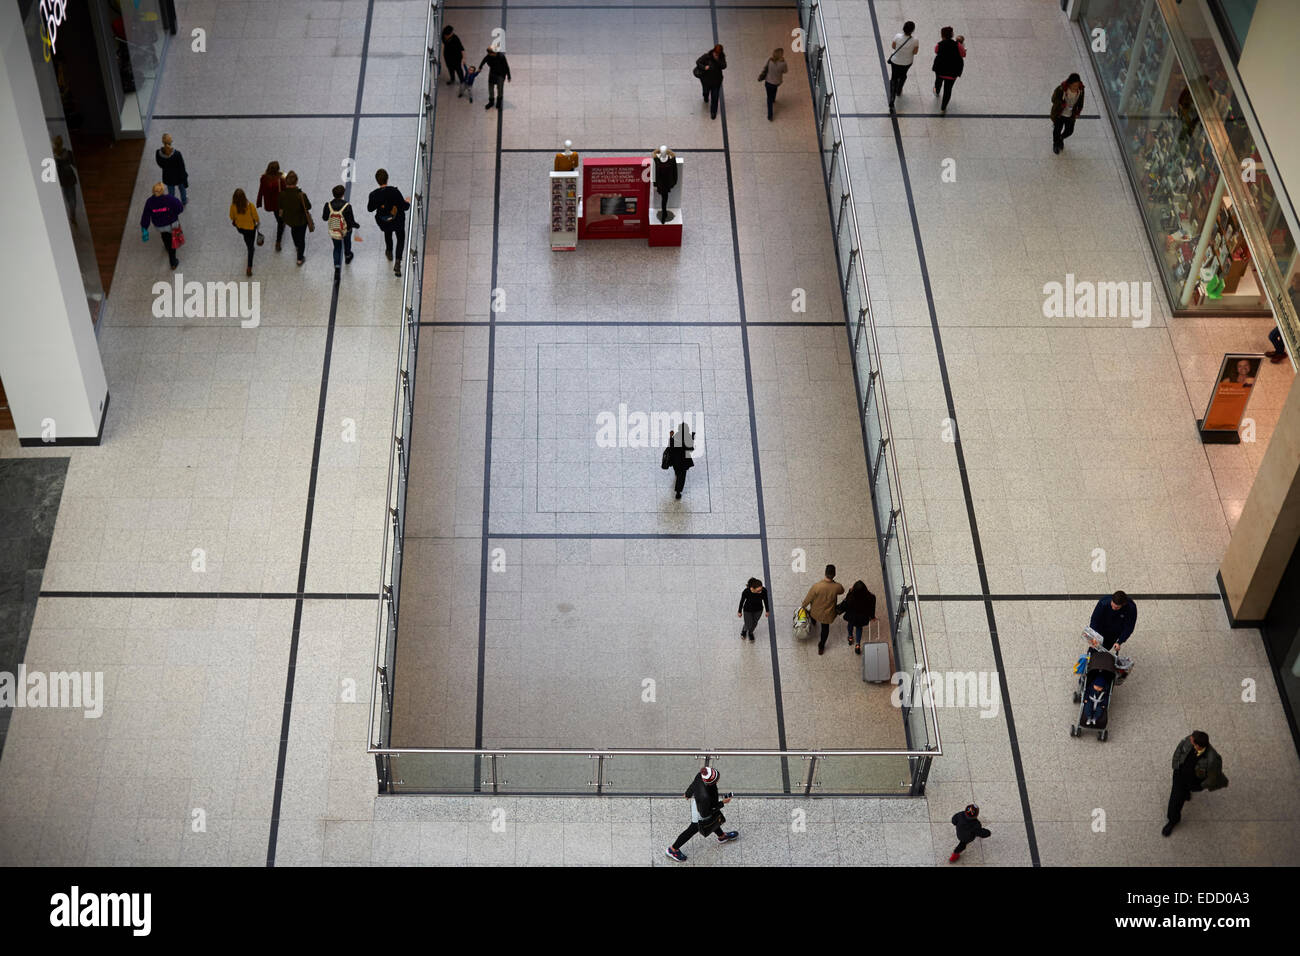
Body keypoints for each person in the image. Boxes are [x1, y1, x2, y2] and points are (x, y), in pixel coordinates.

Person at [665, 766, 739, 862]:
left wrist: (688, 793)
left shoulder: (701, 775)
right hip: (702, 811)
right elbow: (705, 814)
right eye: (717, 778)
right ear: (712, 782)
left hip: (702, 805)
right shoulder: (705, 797)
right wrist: (722, 803)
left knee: (713, 820)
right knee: (692, 830)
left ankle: (722, 836)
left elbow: (694, 784)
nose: (719, 778)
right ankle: (673, 849)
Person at [1163, 731, 1228, 836]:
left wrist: (1200, 786)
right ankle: (1173, 820)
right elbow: (1179, 749)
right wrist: (1176, 765)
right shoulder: (1190, 739)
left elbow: (1213, 777)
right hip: (1180, 777)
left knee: (1184, 793)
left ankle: (1187, 793)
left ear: (1197, 745)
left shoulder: (1212, 759)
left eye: (1192, 741)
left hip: (1194, 782)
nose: (1189, 740)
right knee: (1175, 801)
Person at [367, 168, 411, 278]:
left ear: (377, 181)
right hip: (398, 220)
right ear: (387, 178)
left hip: (384, 221)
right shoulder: (394, 191)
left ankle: (389, 251)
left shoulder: (373, 195)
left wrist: (380, 205)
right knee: (400, 238)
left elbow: (370, 209)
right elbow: (404, 207)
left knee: (388, 233)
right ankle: (398, 262)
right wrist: (407, 204)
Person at [139, 182, 184, 270]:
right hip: (171, 224)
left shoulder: (150, 202)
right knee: (172, 241)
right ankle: (173, 262)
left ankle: (167, 246)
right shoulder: (170, 199)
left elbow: (146, 215)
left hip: (159, 226)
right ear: (163, 190)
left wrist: (144, 227)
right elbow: (180, 208)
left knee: (164, 235)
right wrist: (174, 214)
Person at [801, 565, 845, 656]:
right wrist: (834, 583)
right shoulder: (837, 586)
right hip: (828, 614)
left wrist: (803, 606)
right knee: (825, 629)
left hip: (816, 611)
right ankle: (821, 646)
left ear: (825, 573)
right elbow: (842, 591)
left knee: (812, 616)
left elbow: (808, 598)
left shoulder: (817, 586)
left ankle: (813, 622)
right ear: (834, 574)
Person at [322, 184, 360, 281]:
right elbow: (351, 221)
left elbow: (325, 218)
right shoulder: (347, 206)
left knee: (337, 248)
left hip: (334, 230)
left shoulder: (328, 205)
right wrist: (356, 225)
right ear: (343, 194)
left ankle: (337, 267)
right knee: (347, 242)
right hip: (345, 230)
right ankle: (348, 256)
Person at [277, 171, 313, 267]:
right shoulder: (300, 195)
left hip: (289, 219)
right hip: (301, 220)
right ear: (296, 181)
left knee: (293, 231)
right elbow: (308, 206)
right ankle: (300, 258)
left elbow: (280, 206)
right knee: (301, 238)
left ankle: (296, 246)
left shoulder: (282, 194)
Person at [837, 580, 878, 654]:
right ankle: (857, 645)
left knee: (850, 625)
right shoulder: (871, 597)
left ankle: (850, 637)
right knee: (859, 628)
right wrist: (872, 617)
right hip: (862, 618)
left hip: (851, 616)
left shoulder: (851, 596)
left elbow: (846, 605)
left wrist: (849, 592)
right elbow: (872, 608)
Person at [931, 27, 965, 114]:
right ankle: (943, 108)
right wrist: (961, 45)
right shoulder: (958, 45)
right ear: (952, 35)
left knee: (938, 81)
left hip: (940, 70)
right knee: (948, 90)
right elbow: (963, 54)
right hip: (953, 72)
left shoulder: (939, 44)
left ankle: (937, 91)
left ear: (942, 35)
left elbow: (936, 51)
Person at [887, 21, 919, 111]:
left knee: (894, 77)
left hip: (895, 61)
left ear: (903, 28)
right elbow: (915, 52)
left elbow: (893, 46)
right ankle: (899, 90)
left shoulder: (897, 36)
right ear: (912, 30)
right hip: (907, 62)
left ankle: (892, 99)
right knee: (903, 75)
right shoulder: (915, 40)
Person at [1051, 73, 1086, 154]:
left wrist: (1078, 111)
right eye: (1074, 86)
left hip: (1071, 114)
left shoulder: (1081, 90)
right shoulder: (1061, 89)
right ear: (1069, 84)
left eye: (1077, 85)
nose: (1076, 88)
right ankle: (1056, 143)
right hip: (1060, 113)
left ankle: (1061, 138)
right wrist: (1061, 104)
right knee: (1057, 130)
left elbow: (1081, 101)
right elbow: (1053, 99)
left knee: (1069, 131)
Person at [229, 188, 260, 276]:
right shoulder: (250, 206)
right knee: (250, 247)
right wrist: (258, 222)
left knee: (246, 239)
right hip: (251, 228)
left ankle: (249, 246)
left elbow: (231, 217)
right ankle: (249, 267)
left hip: (240, 228)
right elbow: (256, 218)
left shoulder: (233, 207)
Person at [256, 161, 285, 252]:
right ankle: (278, 241)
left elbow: (261, 190)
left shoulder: (264, 178)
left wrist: (259, 201)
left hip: (270, 204)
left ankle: (280, 222)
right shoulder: (280, 180)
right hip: (279, 204)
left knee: (277, 216)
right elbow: (285, 191)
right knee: (280, 221)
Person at [155, 133, 189, 206]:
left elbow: (159, 164)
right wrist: (185, 177)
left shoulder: (158, 153)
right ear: (171, 142)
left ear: (163, 142)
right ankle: (184, 201)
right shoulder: (177, 154)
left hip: (168, 176)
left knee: (171, 191)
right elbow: (182, 167)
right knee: (182, 189)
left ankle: (172, 203)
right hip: (179, 176)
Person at [695, 44, 727, 120]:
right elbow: (698, 62)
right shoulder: (707, 56)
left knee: (715, 97)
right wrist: (704, 67)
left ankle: (713, 112)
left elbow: (724, 66)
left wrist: (718, 60)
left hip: (716, 81)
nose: (716, 55)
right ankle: (705, 96)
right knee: (706, 92)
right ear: (713, 51)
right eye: (715, 53)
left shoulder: (721, 58)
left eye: (718, 54)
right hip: (706, 80)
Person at [52, 135, 78, 226]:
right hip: (69, 177)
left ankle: (72, 216)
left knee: (68, 198)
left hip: (62, 179)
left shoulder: (53, 156)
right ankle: (72, 216)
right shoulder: (68, 153)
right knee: (72, 199)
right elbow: (74, 164)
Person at [737, 577, 772, 641]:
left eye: (761, 589)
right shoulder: (746, 592)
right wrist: (739, 611)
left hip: (758, 610)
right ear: (753, 588)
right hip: (748, 610)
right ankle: (744, 631)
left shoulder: (763, 591)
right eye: (758, 590)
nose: (760, 591)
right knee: (748, 624)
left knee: (755, 623)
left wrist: (767, 610)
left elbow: (766, 600)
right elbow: (742, 601)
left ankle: (750, 633)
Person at [665, 423, 694, 500]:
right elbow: (690, 449)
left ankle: (676, 475)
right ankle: (678, 492)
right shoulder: (687, 437)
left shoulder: (676, 435)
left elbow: (671, 446)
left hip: (675, 460)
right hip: (683, 460)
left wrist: (671, 436)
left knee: (678, 472)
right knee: (682, 477)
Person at [760, 47, 788, 122]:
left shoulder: (770, 60)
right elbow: (785, 71)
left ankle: (770, 115)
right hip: (777, 82)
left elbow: (765, 67)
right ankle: (773, 99)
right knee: (775, 89)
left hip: (768, 82)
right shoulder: (783, 63)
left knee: (768, 97)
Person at [479, 46, 511, 111]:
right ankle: (491, 102)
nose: (489, 55)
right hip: (492, 73)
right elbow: (484, 60)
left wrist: (509, 76)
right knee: (490, 88)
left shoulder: (501, 56)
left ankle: (499, 102)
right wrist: (480, 67)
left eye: (491, 54)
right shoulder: (489, 56)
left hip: (501, 74)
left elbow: (506, 66)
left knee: (500, 89)